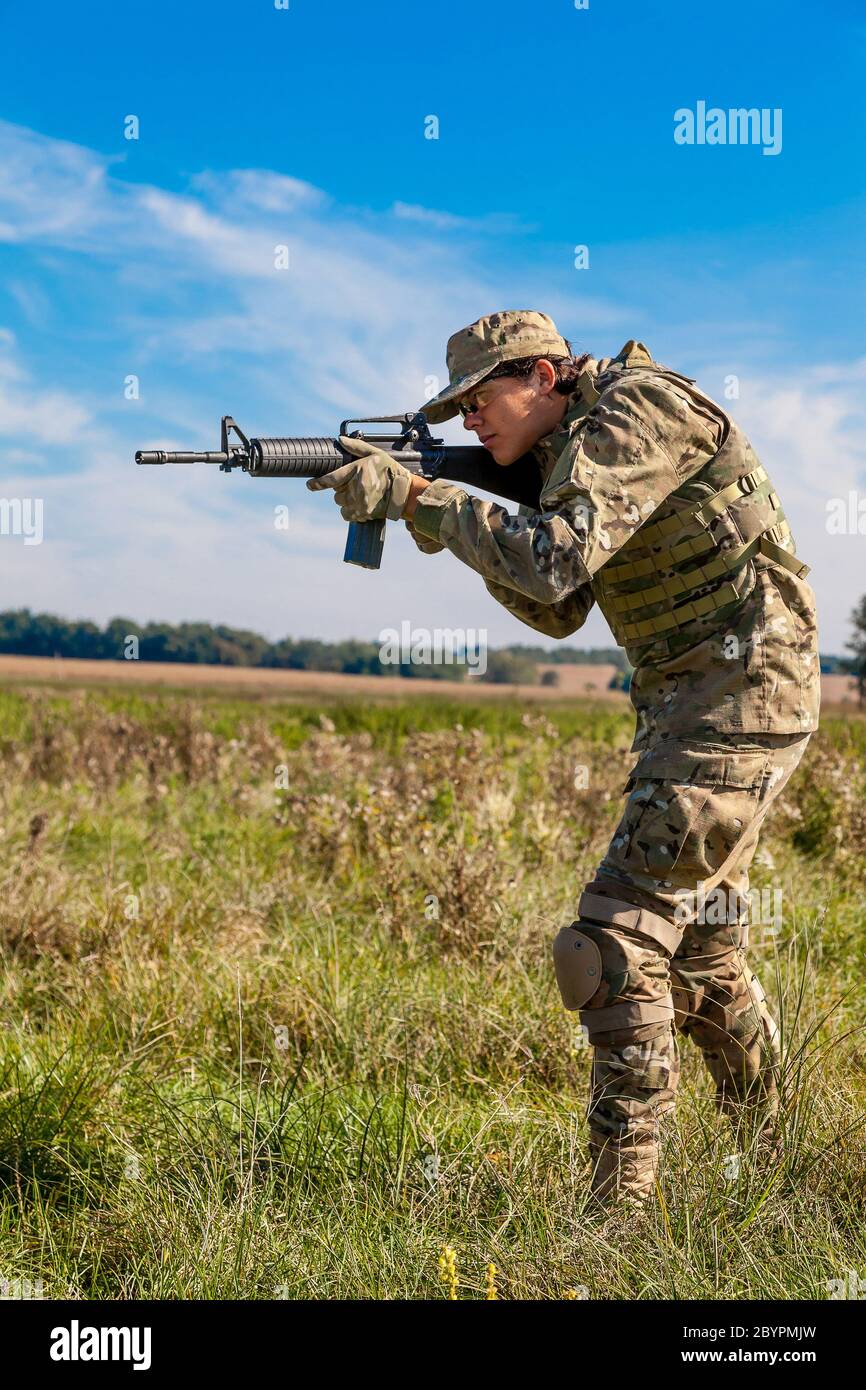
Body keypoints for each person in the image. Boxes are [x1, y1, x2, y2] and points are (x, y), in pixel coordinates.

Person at [307, 310, 821, 1209]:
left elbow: (549, 568)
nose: (471, 422)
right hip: (694, 708)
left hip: (741, 700)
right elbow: (557, 610)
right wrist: (439, 517)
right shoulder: (567, 451)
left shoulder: (639, 412)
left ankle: (616, 1225)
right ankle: (783, 1163)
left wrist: (423, 501)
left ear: (543, 376)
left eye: (480, 399)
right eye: (459, 410)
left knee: (611, 944)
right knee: (700, 954)